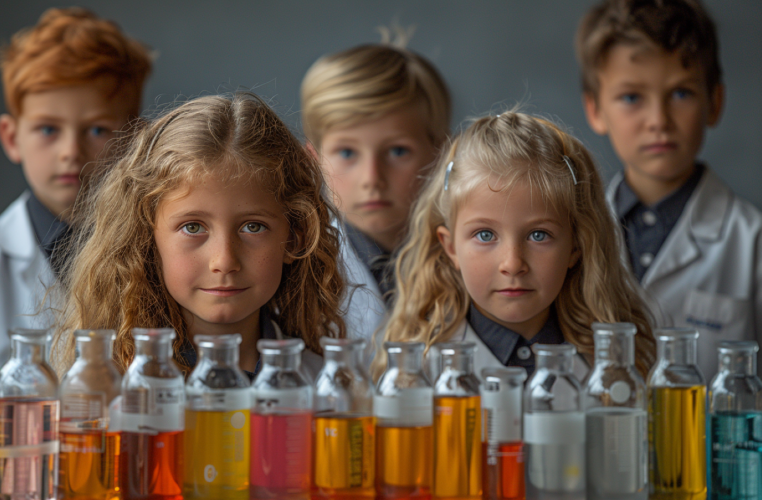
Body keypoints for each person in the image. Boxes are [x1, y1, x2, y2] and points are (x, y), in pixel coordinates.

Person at [51, 93, 346, 380]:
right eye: (193, 227)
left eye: (252, 227)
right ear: (146, 240)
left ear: (295, 237)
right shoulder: (111, 386)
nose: (224, 261)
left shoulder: (321, 387)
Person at [375, 111, 655, 381]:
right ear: (450, 247)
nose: (512, 264)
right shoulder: (418, 371)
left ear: (575, 247)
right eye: (485, 235)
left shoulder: (613, 367)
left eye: (538, 235)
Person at [577, 0, 762, 380]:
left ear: (715, 102)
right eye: (631, 97)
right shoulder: (572, 235)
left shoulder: (752, 241)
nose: (658, 121)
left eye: (681, 94)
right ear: (595, 110)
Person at [0, 7, 152, 374]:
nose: (70, 152)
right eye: (48, 129)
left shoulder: (164, 257)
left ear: (135, 140)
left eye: (98, 130)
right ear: (12, 138)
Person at [300, 38, 451, 350]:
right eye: (347, 152)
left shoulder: (472, 255)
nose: (372, 178)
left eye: (397, 151)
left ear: (441, 153)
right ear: (314, 161)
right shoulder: (296, 267)